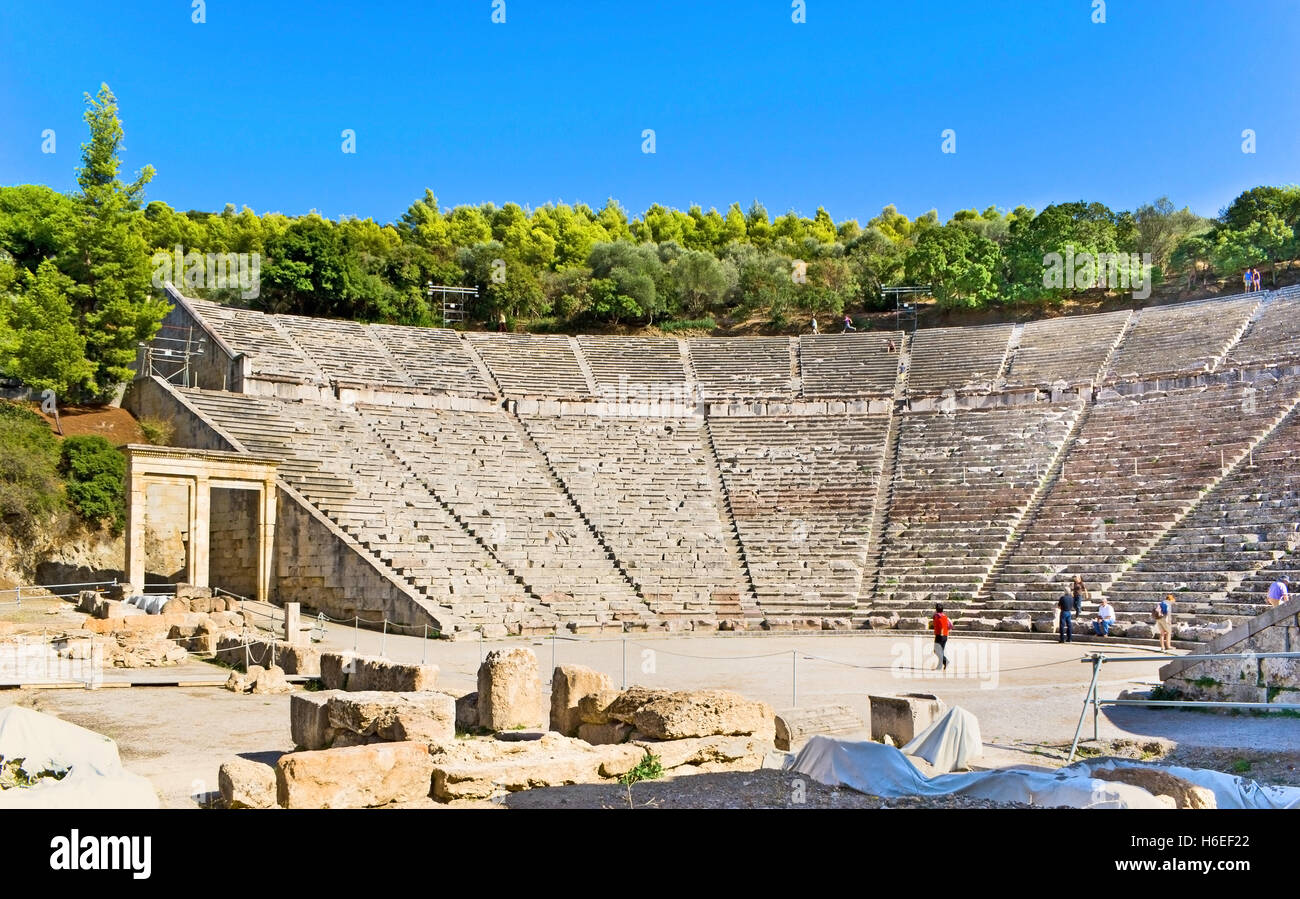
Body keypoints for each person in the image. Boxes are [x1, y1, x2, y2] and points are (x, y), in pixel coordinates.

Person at [930, 603, 952, 669]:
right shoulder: (945, 616)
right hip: (945, 635)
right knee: (940, 651)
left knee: (936, 651)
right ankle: (939, 666)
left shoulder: (937, 616)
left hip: (940, 635)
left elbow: (941, 625)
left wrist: (940, 634)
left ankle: (945, 662)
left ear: (936, 609)